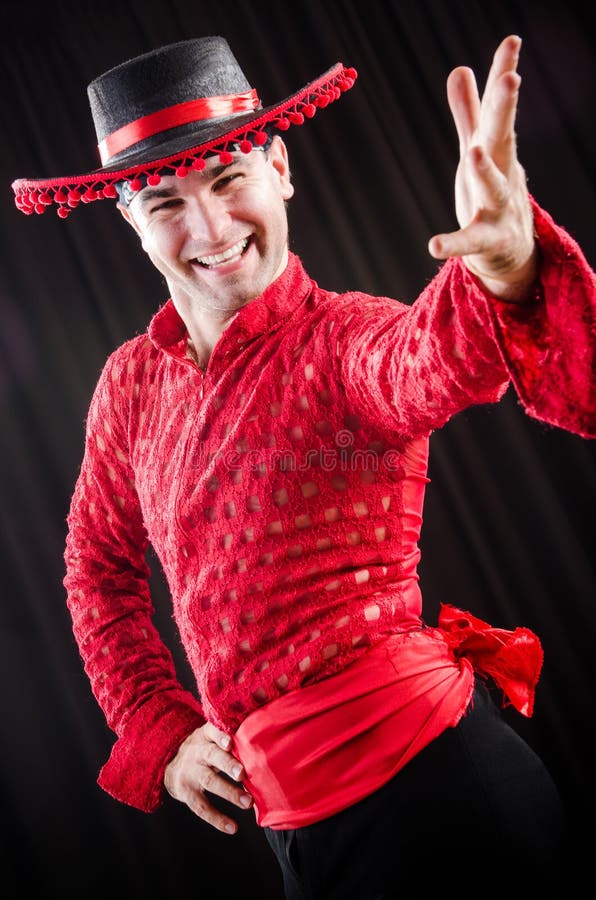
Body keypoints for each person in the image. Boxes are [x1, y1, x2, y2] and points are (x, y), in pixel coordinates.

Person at [12, 33, 595, 899]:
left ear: (279, 168)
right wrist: (155, 726)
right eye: (165, 200)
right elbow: (94, 565)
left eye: (228, 179)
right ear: (129, 220)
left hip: (444, 803)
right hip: (303, 844)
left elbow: (425, 361)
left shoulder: (346, 339)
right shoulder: (130, 383)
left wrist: (501, 270)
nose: (210, 228)